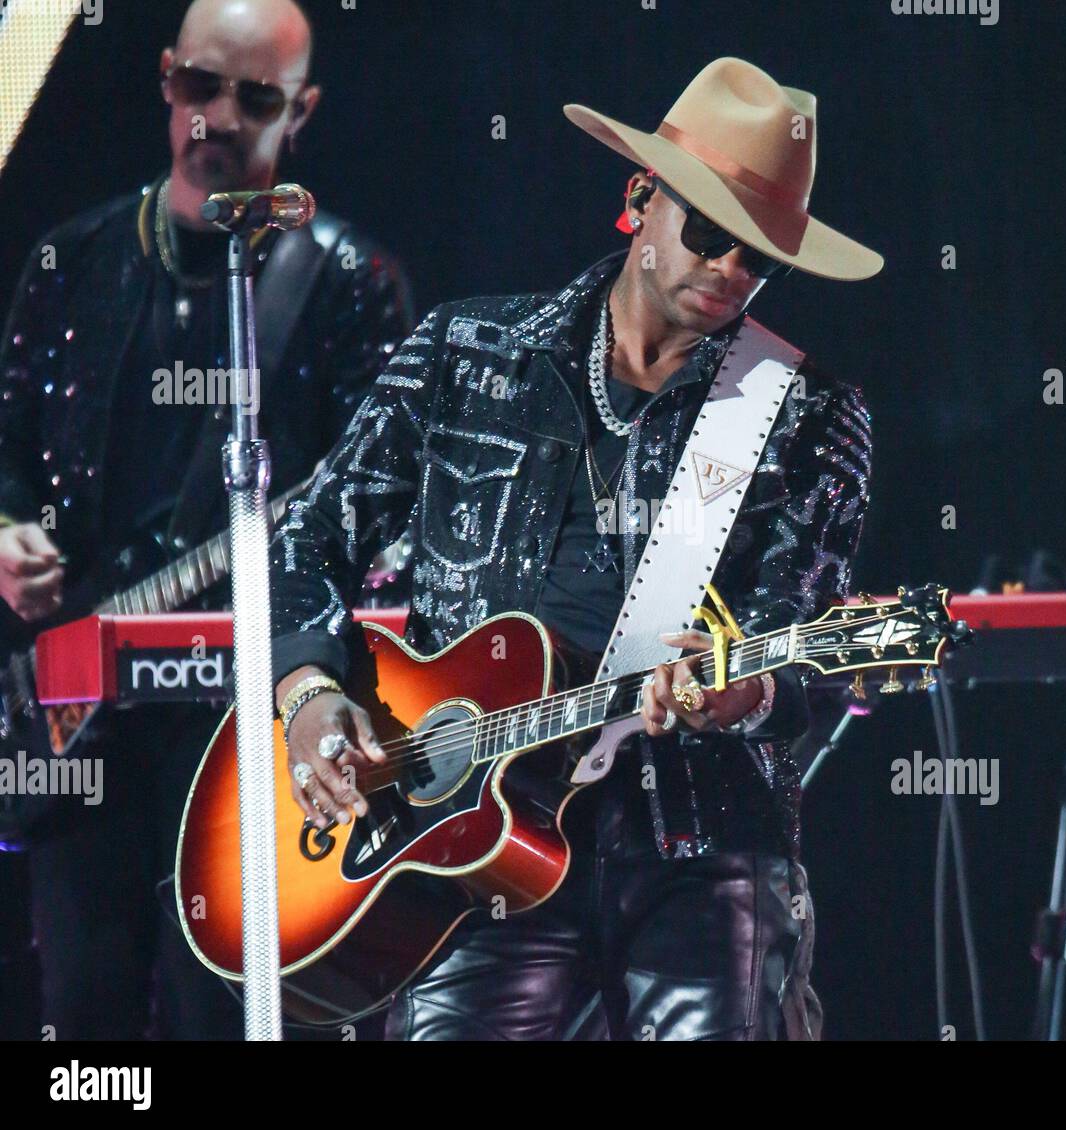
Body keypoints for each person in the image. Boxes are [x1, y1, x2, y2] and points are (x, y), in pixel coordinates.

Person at [270, 57, 877, 1041]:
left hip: (701, 852)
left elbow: (803, 646)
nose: (729, 270)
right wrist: (306, 695)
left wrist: (744, 691)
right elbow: (304, 539)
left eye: (758, 258)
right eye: (712, 233)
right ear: (640, 199)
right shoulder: (461, 354)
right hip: (462, 840)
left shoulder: (805, 414)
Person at [0, 0, 413, 1039]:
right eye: (200, 85)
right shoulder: (75, 261)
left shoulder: (350, 283)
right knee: (81, 1007)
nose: (219, 117)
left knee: (221, 1002)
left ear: (301, 109)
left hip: (250, 715)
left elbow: (388, 502)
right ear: (165, 79)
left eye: (255, 97)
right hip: (80, 701)